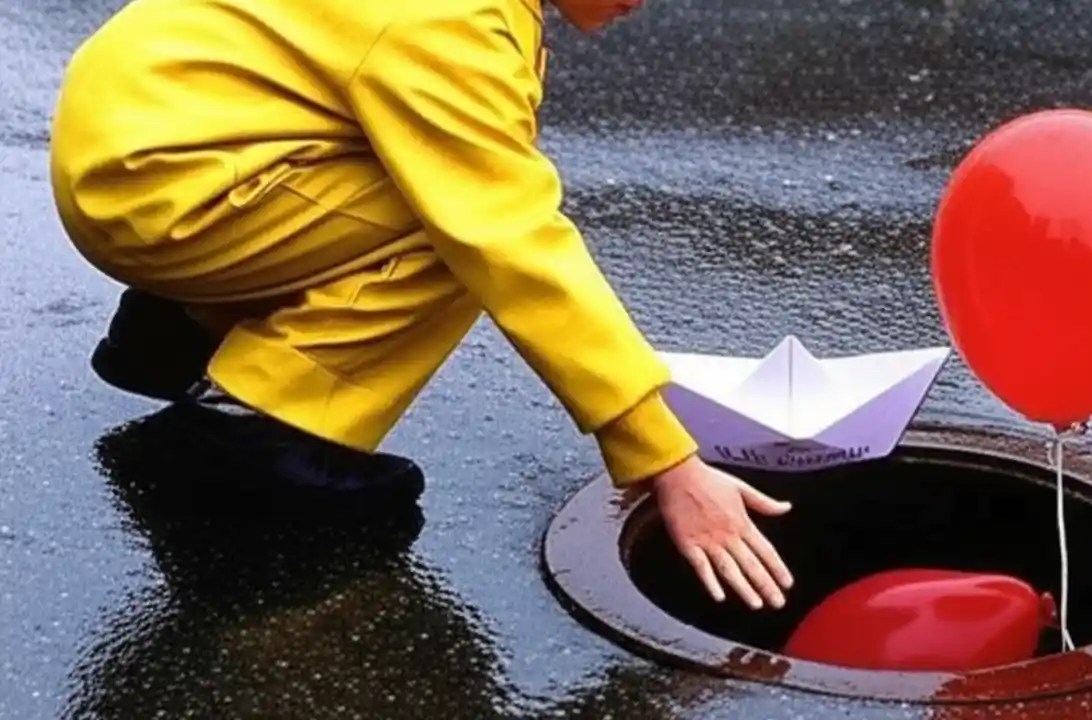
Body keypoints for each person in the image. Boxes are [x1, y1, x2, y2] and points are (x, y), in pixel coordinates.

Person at [49, 0, 795, 610]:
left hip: (144, 140)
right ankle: (261, 425)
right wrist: (665, 459)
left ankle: (175, 328)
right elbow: (510, 238)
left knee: (422, 166)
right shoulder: (453, 20)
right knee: (453, 220)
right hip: (164, 191)